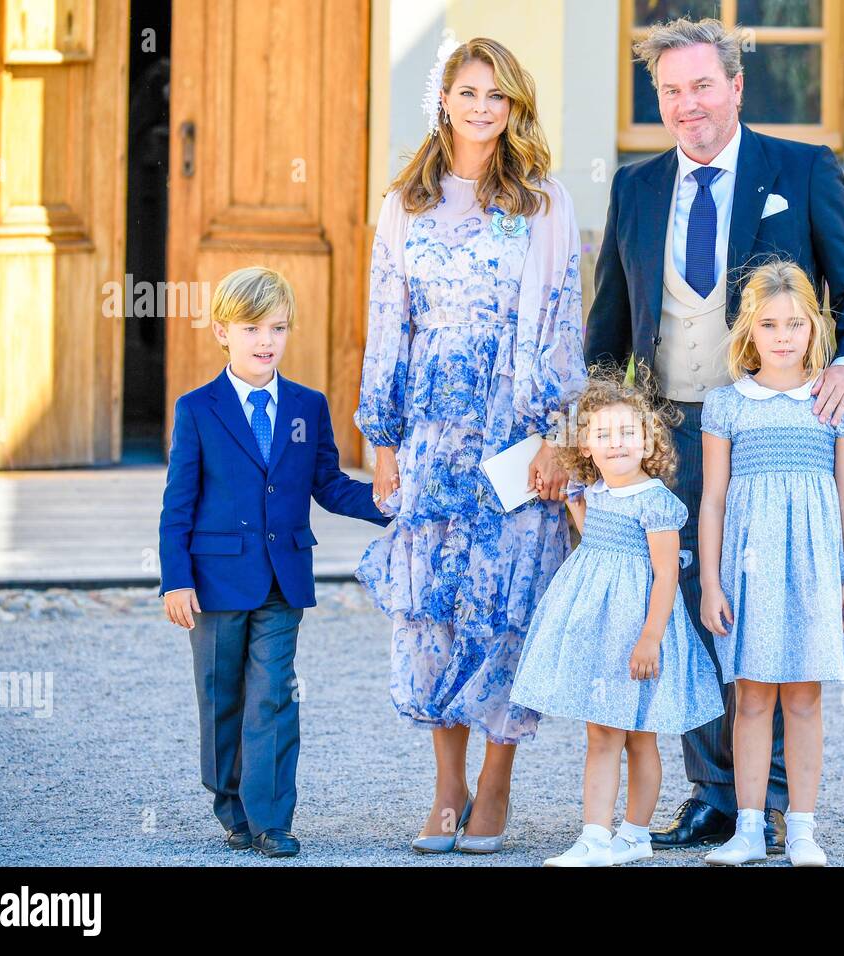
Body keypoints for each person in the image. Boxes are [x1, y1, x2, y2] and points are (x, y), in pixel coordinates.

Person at [584, 16, 844, 851]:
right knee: (686, 608)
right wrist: (600, 433)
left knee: (780, 603)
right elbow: (609, 324)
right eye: (671, 91)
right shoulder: (635, 188)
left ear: (736, 87)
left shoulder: (802, 169)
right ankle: (718, 796)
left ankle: (784, 799)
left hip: (775, 432)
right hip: (669, 431)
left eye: (702, 86)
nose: (688, 106)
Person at [354, 36, 587, 854]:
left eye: (499, 95)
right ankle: (446, 786)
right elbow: (387, 323)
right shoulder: (404, 203)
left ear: (515, 107)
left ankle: (495, 788)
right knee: (432, 612)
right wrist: (381, 437)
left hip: (514, 430)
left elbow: (563, 323)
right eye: (469, 91)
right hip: (428, 430)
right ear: (444, 100)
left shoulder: (544, 202)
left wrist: (560, 439)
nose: (483, 106)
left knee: (505, 604)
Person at [159, 266, 391, 858]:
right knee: (221, 695)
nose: (267, 340)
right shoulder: (197, 409)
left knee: (274, 695)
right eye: (253, 328)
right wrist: (176, 580)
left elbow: (329, 484)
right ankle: (230, 801)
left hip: (283, 578)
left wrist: (391, 504)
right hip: (214, 581)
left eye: (279, 328)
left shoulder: (306, 407)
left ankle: (272, 820)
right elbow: (177, 503)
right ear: (222, 332)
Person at [697, 260, 844, 866]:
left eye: (795, 325)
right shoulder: (727, 404)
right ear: (749, 331)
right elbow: (714, 499)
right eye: (770, 324)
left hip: (813, 568)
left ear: (816, 329)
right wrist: (709, 582)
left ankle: (801, 827)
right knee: (751, 699)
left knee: (803, 699)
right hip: (747, 572)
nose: (783, 337)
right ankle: (748, 829)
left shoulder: (836, 401)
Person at [510, 368, 724, 866]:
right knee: (601, 731)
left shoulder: (656, 503)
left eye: (628, 433)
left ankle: (634, 833)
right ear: (585, 446)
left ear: (648, 439)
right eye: (603, 435)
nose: (617, 444)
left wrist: (651, 638)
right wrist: (577, 510)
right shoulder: (599, 492)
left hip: (638, 632)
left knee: (640, 735)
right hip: (601, 631)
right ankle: (593, 835)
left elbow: (667, 576)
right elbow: (598, 544)